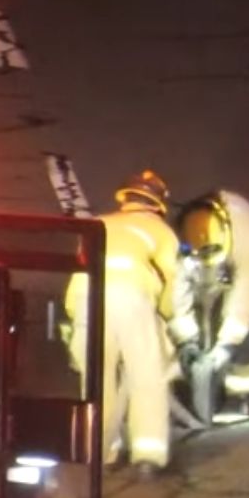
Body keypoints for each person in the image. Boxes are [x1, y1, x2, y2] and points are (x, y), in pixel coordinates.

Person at [61, 170, 188, 479]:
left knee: (96, 381)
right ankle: (148, 455)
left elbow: (75, 274)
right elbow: (175, 283)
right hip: (131, 299)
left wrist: (72, 314)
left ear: (125, 198)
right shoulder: (160, 231)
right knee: (147, 375)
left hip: (85, 299)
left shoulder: (98, 224)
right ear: (158, 204)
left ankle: (101, 452)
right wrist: (169, 317)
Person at [169, 189, 249, 422]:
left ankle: (244, 392)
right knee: (202, 317)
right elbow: (176, 294)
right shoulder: (182, 240)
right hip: (210, 263)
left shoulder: (247, 241)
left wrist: (228, 344)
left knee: (241, 321)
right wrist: (186, 338)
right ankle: (205, 382)